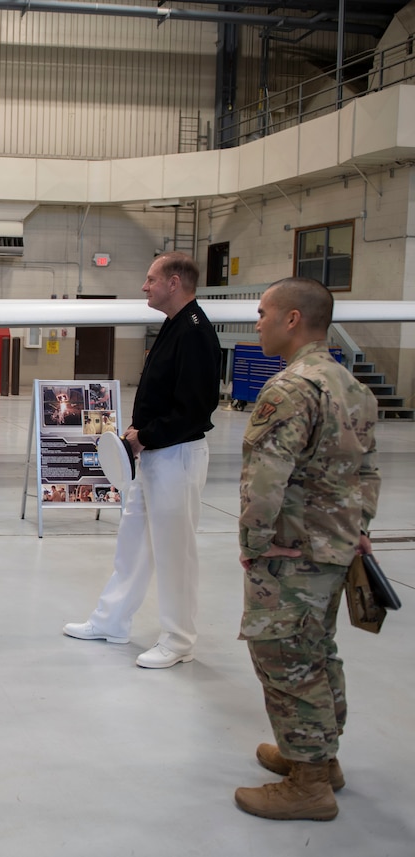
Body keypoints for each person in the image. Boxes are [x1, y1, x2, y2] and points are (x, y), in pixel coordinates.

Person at [233, 277, 379, 821]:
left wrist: (255, 542)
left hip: (292, 552)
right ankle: (318, 758)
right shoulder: (350, 385)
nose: (258, 322)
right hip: (335, 547)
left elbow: (265, 479)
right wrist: (359, 527)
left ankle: (310, 784)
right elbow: (367, 468)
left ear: (292, 319)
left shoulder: (290, 390)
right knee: (316, 650)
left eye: (264, 312)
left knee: (284, 658)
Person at [63, 252, 221, 668]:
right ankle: (112, 620)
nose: (144, 286)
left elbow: (196, 408)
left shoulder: (196, 332)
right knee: (133, 544)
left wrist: (144, 436)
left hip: (176, 456)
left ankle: (180, 640)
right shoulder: (172, 326)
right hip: (152, 455)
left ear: (174, 282)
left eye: (150, 279)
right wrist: (140, 438)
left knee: (174, 551)